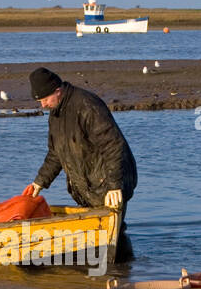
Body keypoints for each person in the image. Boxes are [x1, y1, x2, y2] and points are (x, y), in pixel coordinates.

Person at [24, 67, 138, 261]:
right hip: (87, 185)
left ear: (57, 91)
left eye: (44, 99)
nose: (42, 105)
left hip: (109, 181)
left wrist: (114, 186)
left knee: (113, 236)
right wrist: (39, 182)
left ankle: (118, 276)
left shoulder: (87, 106)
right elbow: (55, 153)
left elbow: (113, 145)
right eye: (39, 101)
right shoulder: (56, 114)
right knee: (104, 239)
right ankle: (117, 270)